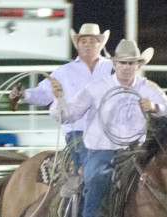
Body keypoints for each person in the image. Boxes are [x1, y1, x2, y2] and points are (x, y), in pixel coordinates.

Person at [49, 39, 167, 217]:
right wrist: (59, 99)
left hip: (136, 152)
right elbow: (68, 114)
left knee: (163, 179)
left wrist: (155, 107)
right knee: (96, 180)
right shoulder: (97, 88)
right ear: (114, 64)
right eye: (122, 63)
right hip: (102, 151)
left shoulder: (148, 88)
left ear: (138, 65)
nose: (127, 67)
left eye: (131, 63)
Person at [9, 23, 112, 161]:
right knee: (90, 161)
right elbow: (44, 93)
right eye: (83, 41)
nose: (87, 45)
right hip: (78, 132)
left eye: (92, 41)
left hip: (110, 132)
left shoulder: (112, 68)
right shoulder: (64, 71)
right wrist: (24, 94)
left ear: (100, 44)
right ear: (77, 45)